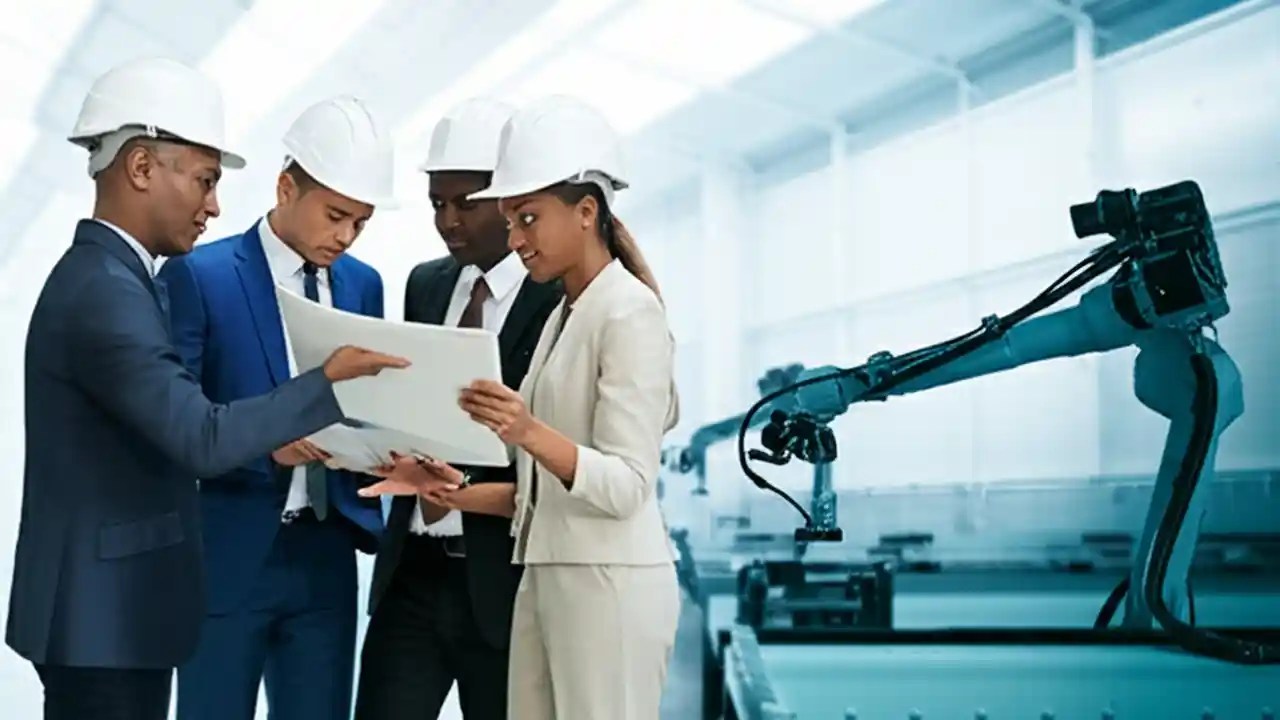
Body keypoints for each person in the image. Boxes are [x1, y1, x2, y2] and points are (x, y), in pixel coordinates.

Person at [5, 57, 408, 720]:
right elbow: (199, 434)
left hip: (121, 607)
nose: (214, 204)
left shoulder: (113, 279)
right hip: (106, 614)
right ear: (140, 167)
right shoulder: (110, 292)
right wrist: (325, 383)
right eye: (205, 179)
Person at [362, 95, 680, 720]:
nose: (516, 240)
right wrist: (442, 486)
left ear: (586, 212)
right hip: (547, 577)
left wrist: (524, 429)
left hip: (603, 584)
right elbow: (535, 487)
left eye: (527, 219)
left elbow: (627, 485)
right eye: (511, 221)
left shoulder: (628, 312)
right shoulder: (569, 309)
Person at [153, 95, 397, 720]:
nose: (344, 236)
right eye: (336, 215)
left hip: (326, 557)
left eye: (361, 223)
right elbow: (173, 429)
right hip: (227, 554)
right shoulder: (198, 275)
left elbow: (367, 406)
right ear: (286, 187)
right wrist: (266, 448)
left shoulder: (363, 284)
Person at [356, 97, 562, 720]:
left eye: (463, 204)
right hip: (413, 572)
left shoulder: (555, 295)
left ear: (507, 202)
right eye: (437, 204)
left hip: (500, 580)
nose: (447, 221)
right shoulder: (426, 283)